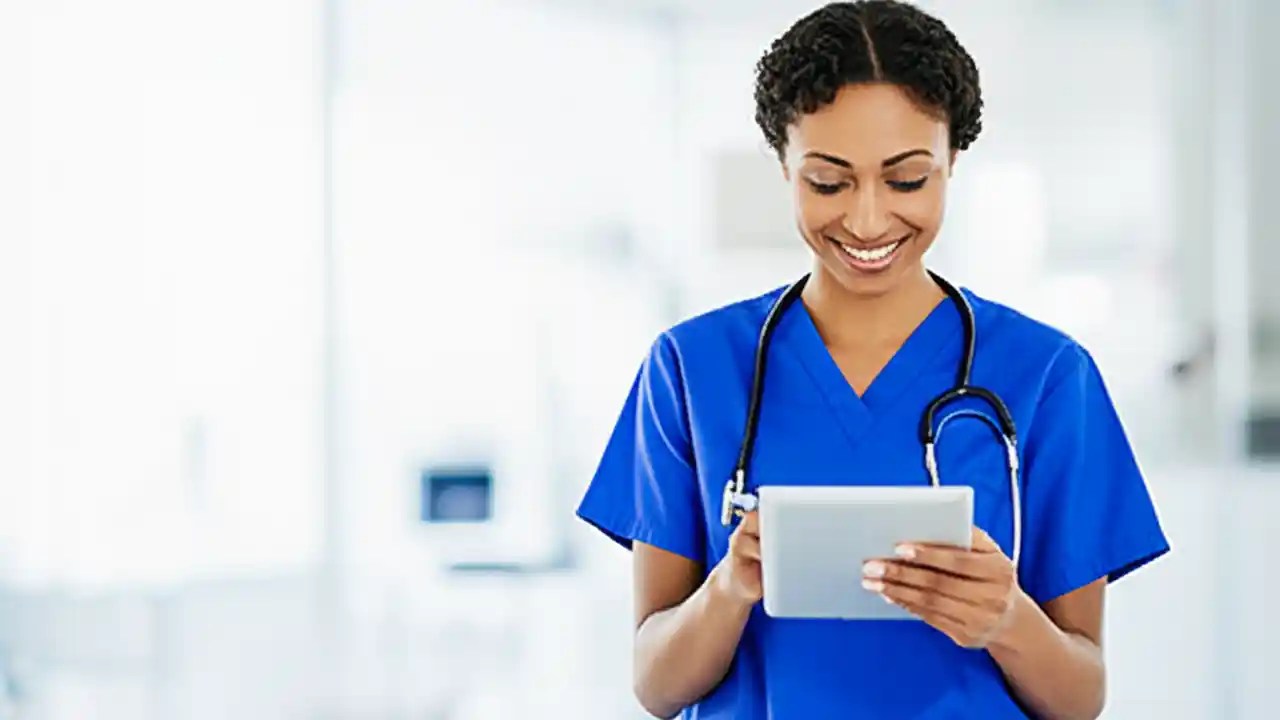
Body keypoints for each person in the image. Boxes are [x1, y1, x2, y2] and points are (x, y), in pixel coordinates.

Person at [574, 1, 1170, 717]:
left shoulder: (1047, 377)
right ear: (784, 165)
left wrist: (1007, 621)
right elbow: (657, 686)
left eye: (908, 180)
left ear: (953, 160)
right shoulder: (690, 370)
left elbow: (1079, 698)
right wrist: (731, 586)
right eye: (827, 181)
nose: (866, 220)